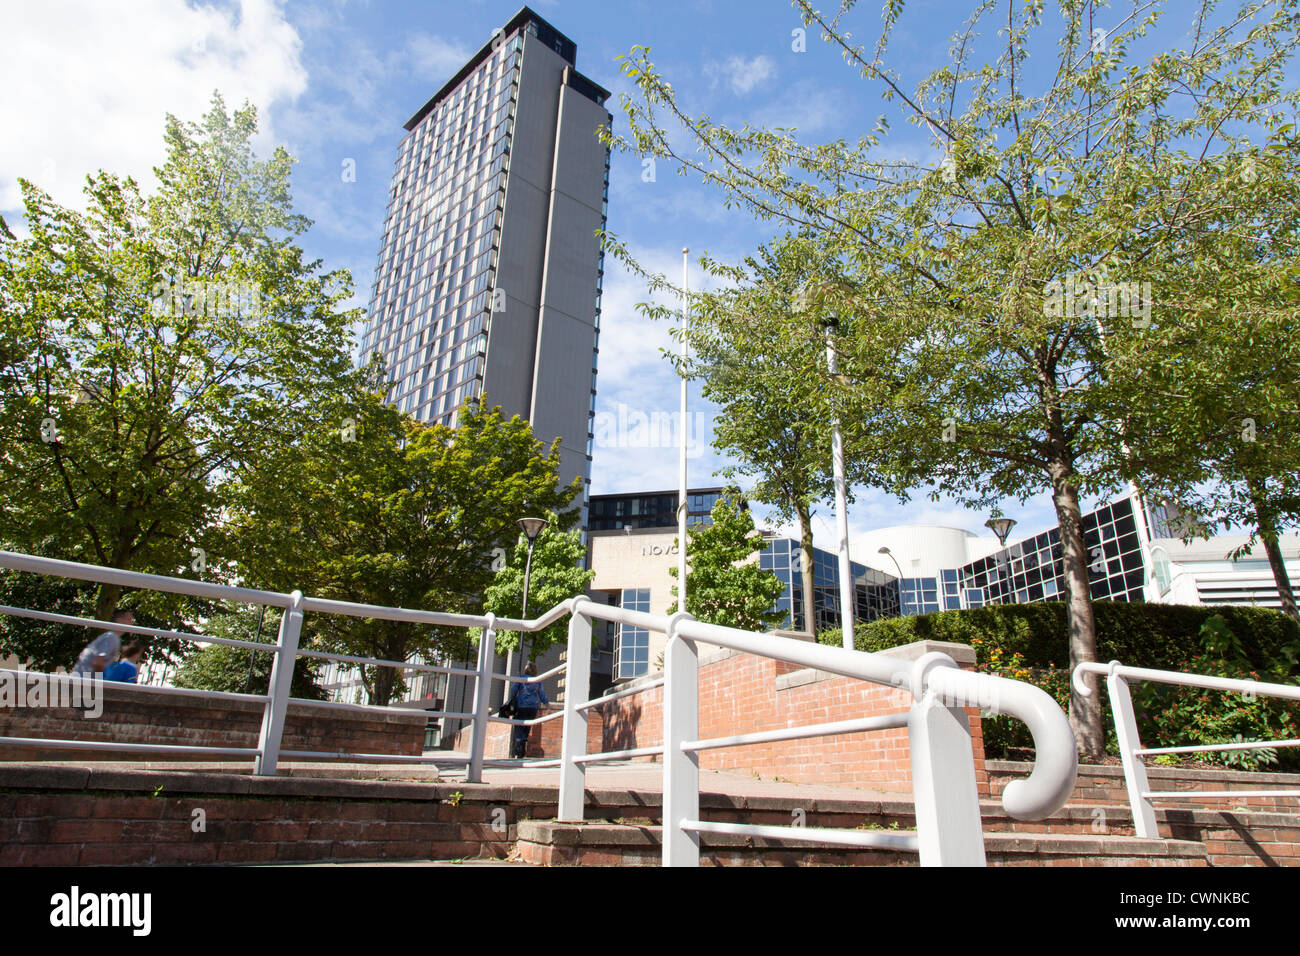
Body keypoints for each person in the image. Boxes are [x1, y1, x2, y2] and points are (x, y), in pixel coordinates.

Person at [72, 608, 133, 677]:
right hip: (85, 681)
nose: (132, 622)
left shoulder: (112, 637)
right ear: (118, 620)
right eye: (129, 619)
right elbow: (98, 662)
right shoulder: (111, 638)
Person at [508, 661, 548, 759]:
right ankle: (523, 748)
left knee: (519, 728)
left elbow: (513, 690)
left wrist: (511, 699)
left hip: (521, 706)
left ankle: (518, 751)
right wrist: (547, 704)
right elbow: (542, 694)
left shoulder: (521, 678)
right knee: (526, 729)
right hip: (533, 707)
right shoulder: (537, 680)